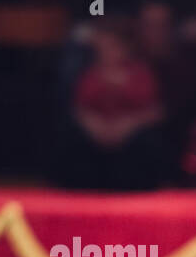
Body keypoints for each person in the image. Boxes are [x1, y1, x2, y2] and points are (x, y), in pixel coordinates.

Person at [61, 21, 165, 190]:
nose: (107, 52)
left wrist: (128, 125)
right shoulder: (91, 74)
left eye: (112, 46)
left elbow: (155, 111)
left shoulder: (140, 73)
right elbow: (80, 108)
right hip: (97, 133)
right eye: (103, 47)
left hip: (130, 134)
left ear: (125, 48)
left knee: (147, 144)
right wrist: (94, 125)